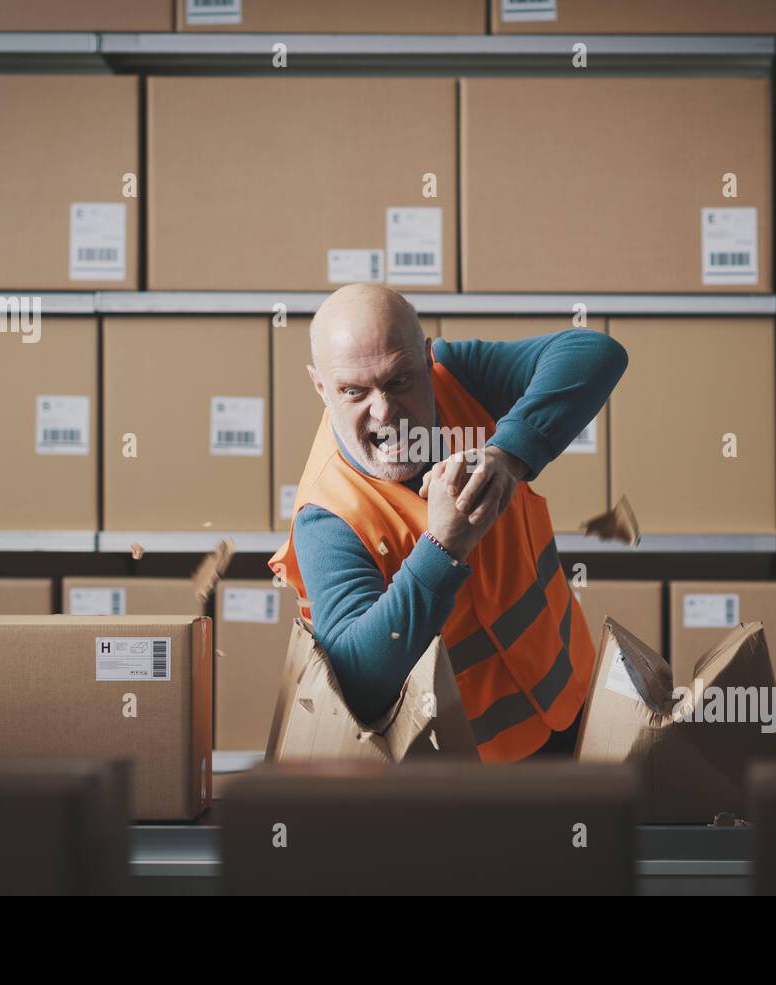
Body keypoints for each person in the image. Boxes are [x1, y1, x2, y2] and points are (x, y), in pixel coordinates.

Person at [269, 284, 628, 760]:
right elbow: (356, 683)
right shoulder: (328, 517)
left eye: (399, 381)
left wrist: (509, 455)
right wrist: (442, 548)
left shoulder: (455, 375)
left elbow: (594, 352)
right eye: (353, 391)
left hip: (577, 701)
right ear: (320, 387)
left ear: (425, 356)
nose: (383, 412)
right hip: (469, 768)